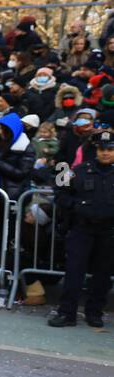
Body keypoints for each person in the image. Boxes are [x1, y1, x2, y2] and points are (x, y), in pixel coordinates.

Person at [48, 129, 114, 327]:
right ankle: (67, 313)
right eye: (102, 149)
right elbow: (59, 192)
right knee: (74, 271)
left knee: (103, 275)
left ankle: (95, 313)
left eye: (110, 149)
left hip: (109, 232)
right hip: (82, 229)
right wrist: (75, 207)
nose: (105, 153)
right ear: (95, 150)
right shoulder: (79, 170)